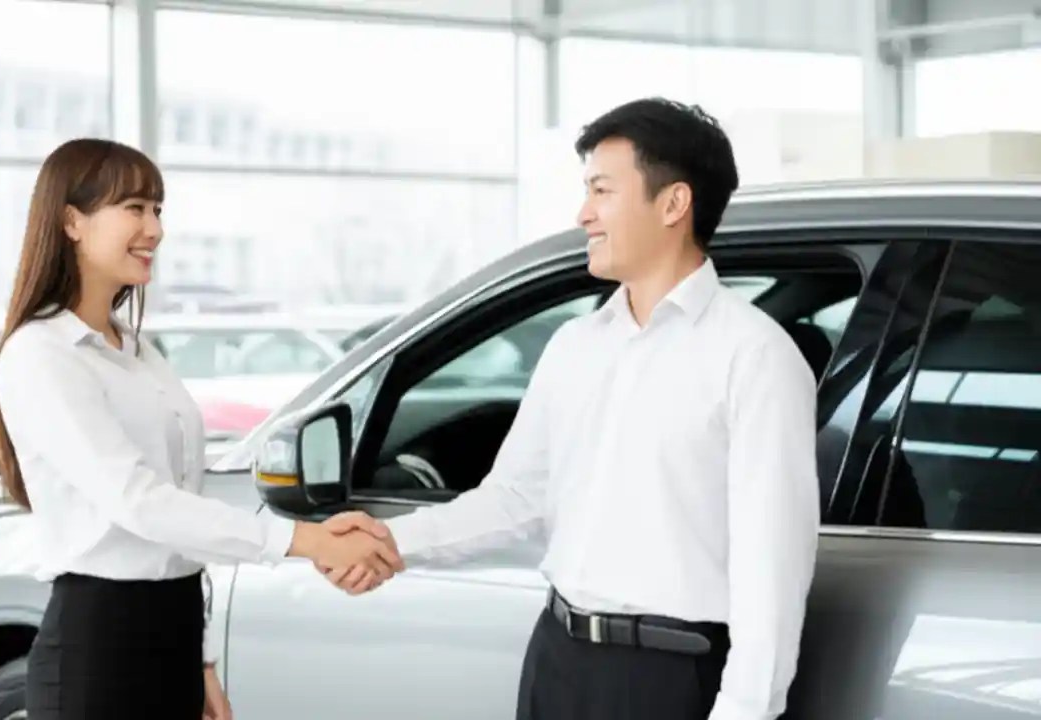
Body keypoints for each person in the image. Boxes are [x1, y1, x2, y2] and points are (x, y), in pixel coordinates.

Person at [322, 98, 820, 720]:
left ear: (673, 204)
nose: (583, 214)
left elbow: (770, 573)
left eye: (602, 191)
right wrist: (389, 542)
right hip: (558, 659)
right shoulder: (575, 346)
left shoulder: (754, 356)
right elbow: (516, 498)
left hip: (666, 677)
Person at [0, 138, 403, 720]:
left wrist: (201, 656)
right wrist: (307, 541)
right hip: (100, 649)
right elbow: (139, 502)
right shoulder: (41, 353)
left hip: (174, 633)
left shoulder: (136, 351)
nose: (154, 229)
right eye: (134, 208)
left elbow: (183, 507)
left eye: (158, 210)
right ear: (72, 221)